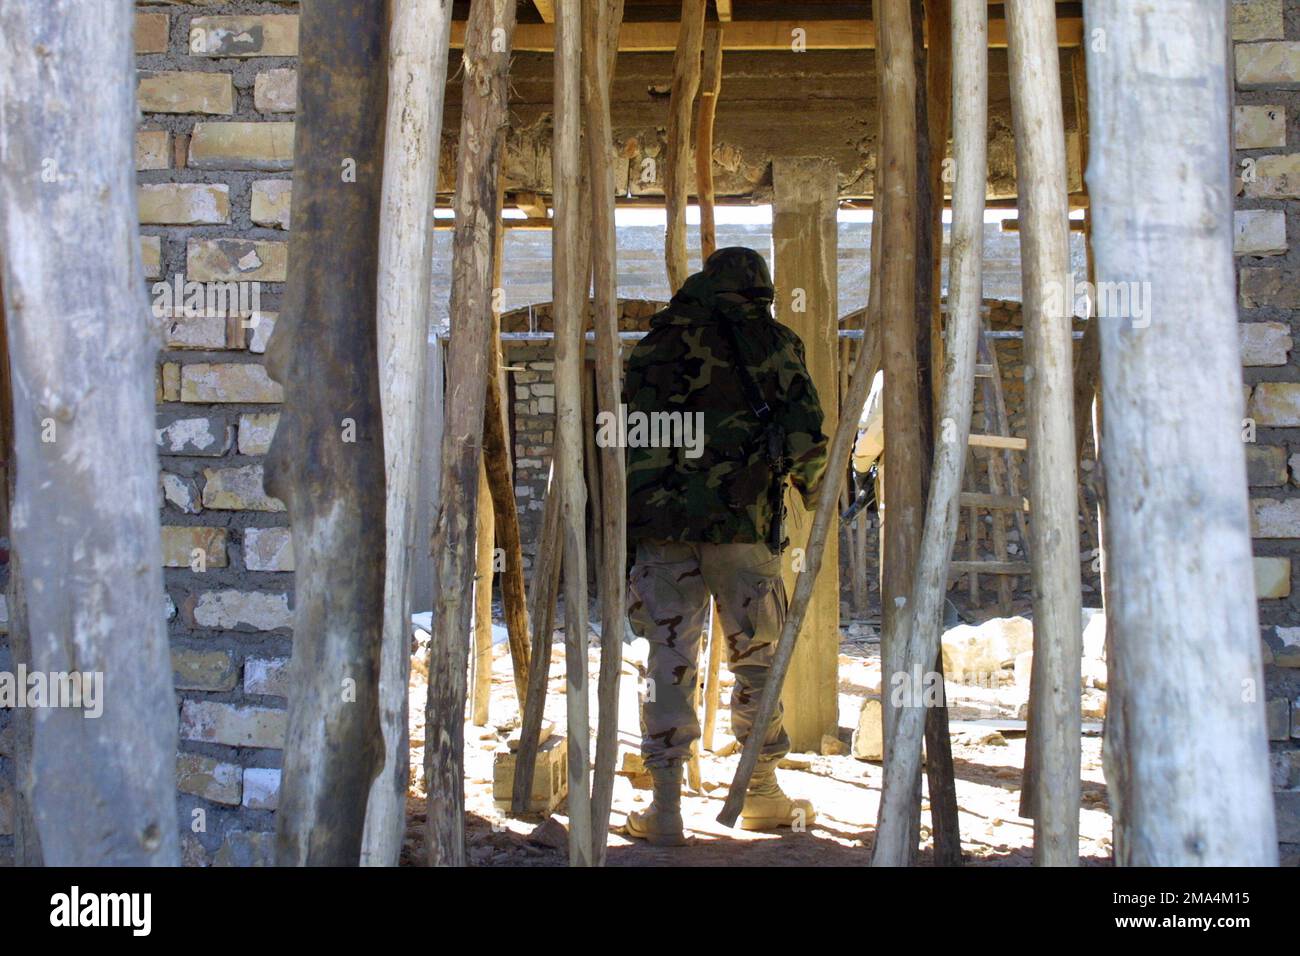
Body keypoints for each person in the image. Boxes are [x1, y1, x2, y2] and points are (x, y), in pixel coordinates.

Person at [621, 246, 829, 845]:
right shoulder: (774, 343)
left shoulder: (653, 346)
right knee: (758, 658)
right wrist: (819, 495)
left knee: (666, 658)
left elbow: (628, 439)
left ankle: (665, 807)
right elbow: (805, 438)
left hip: (661, 531)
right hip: (743, 528)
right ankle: (759, 790)